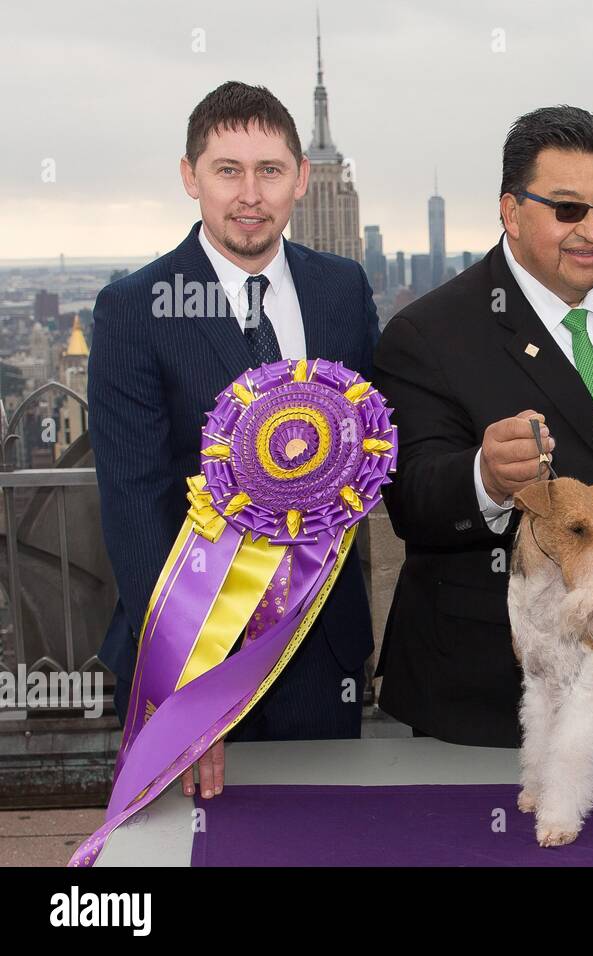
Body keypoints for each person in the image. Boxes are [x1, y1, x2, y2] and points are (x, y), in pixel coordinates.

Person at [373, 105, 593, 749]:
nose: (591, 230)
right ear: (512, 213)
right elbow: (411, 502)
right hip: (503, 706)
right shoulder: (428, 333)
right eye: (567, 209)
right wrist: (483, 477)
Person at [88, 81, 379, 799]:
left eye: (270, 171)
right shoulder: (133, 308)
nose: (250, 195)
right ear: (191, 176)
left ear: (301, 179)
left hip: (319, 647)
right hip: (192, 655)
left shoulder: (342, 290)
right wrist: (185, 695)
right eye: (227, 170)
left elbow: (371, 444)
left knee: (326, 844)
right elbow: (135, 499)